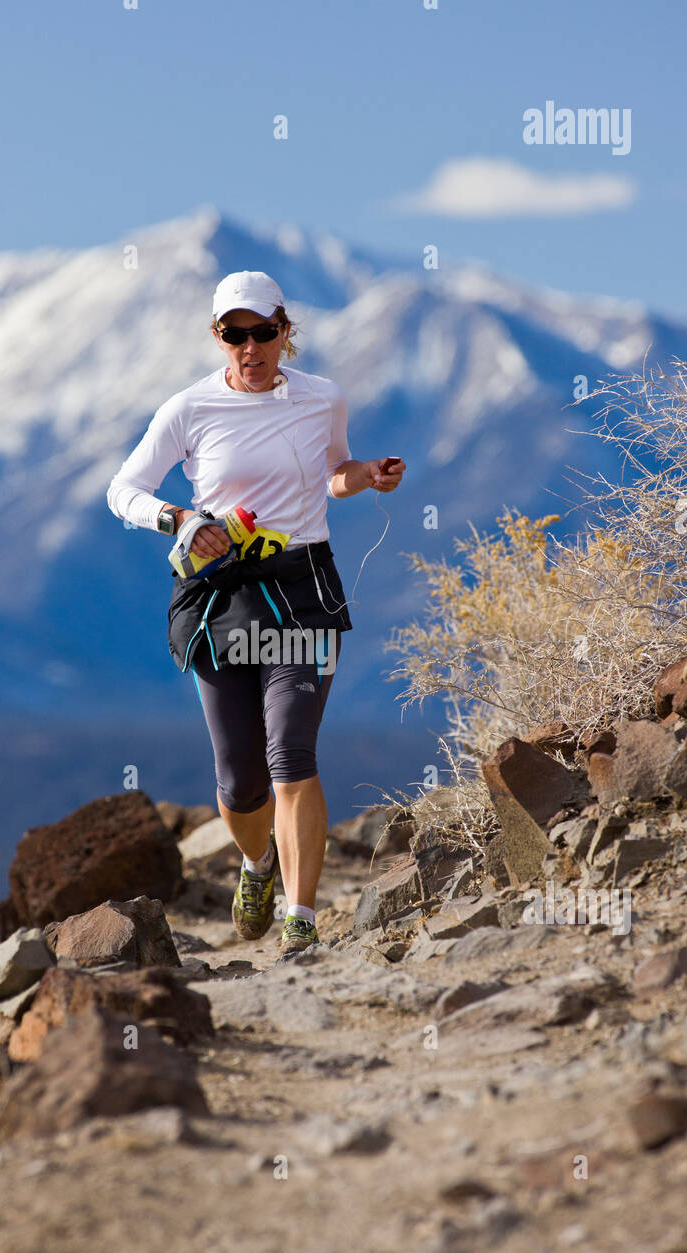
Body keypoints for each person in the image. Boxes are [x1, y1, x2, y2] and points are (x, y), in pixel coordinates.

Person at [107, 270, 405, 959]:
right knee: (240, 781)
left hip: (303, 589)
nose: (250, 345)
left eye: (263, 331)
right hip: (220, 595)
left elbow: (334, 474)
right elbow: (122, 489)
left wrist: (368, 475)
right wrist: (178, 518)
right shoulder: (187, 409)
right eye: (234, 334)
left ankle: (301, 917)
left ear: (284, 332)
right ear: (218, 338)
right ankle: (257, 865)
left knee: (291, 755)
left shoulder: (323, 398)